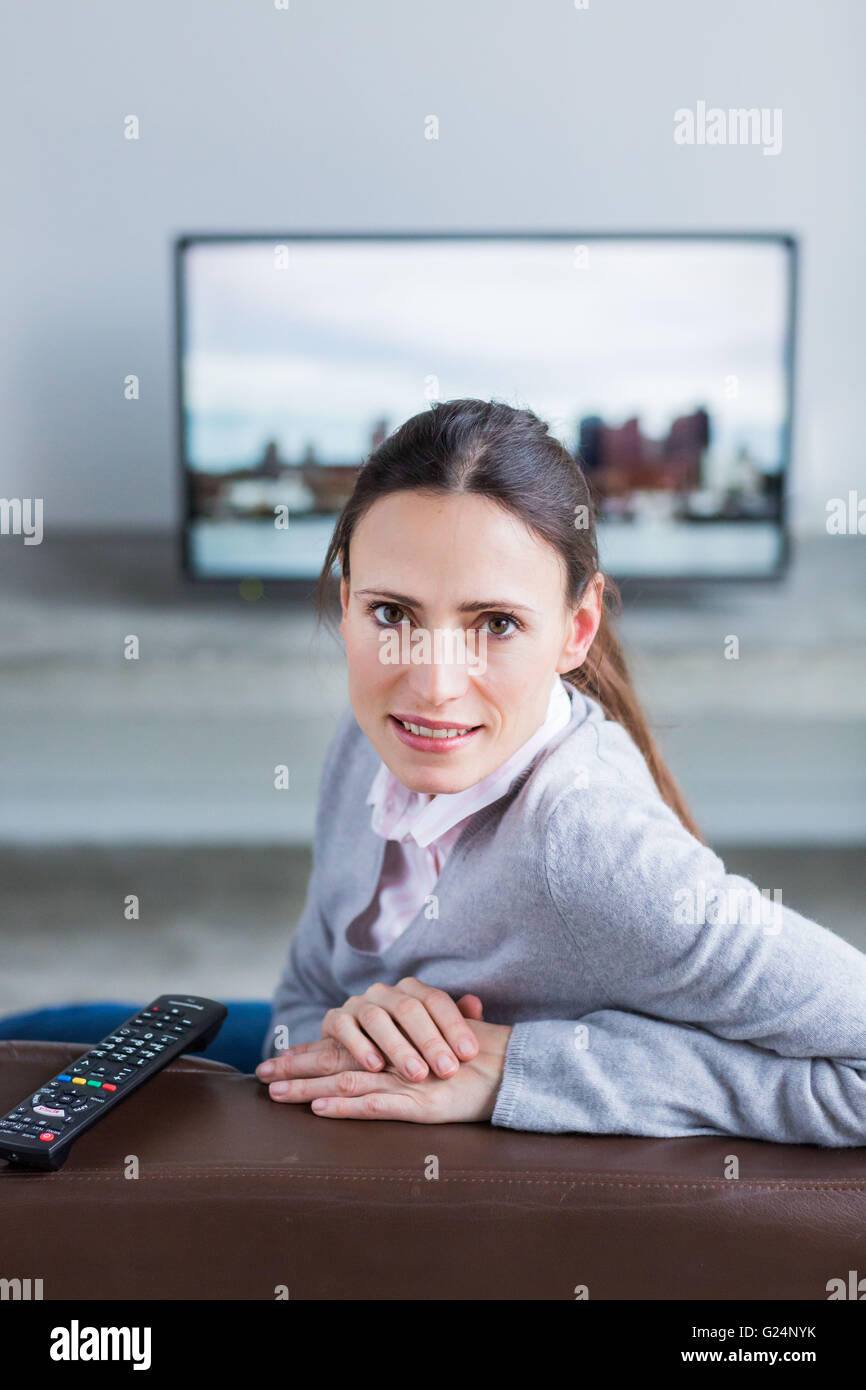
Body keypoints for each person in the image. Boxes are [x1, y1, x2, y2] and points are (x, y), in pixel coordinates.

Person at [256, 398, 866, 1144]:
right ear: (348, 607)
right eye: (392, 615)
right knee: (89, 1044)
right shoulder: (367, 741)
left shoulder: (591, 849)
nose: (433, 685)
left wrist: (524, 1067)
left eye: (497, 624)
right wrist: (346, 1031)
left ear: (576, 631)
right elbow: (301, 995)